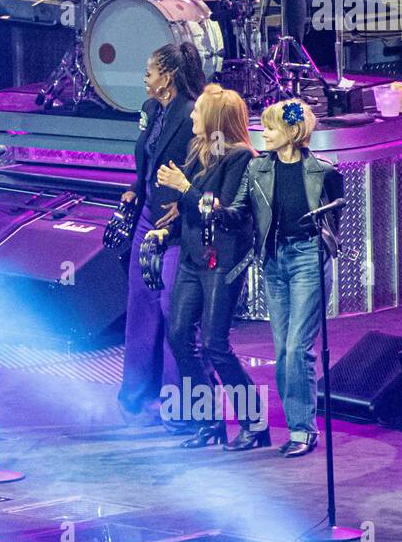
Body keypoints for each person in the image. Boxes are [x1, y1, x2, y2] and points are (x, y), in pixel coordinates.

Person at [221, 97, 341, 456]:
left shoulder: (323, 171)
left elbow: (334, 221)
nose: (264, 133)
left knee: (295, 349)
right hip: (274, 261)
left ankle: (303, 430)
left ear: (291, 133)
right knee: (283, 351)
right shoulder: (258, 170)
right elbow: (238, 211)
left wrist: (326, 251)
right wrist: (214, 208)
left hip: (307, 257)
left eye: (271, 128)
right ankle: (299, 426)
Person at [148, 84, 259, 448]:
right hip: (193, 257)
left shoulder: (241, 157)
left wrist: (185, 188)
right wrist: (168, 233)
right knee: (179, 335)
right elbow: (189, 209)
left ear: (215, 120)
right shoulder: (204, 149)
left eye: (198, 112)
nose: (192, 116)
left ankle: (254, 424)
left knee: (215, 344)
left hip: (221, 260)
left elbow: (221, 210)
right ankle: (208, 423)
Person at [117, 42, 205, 425]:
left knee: (174, 311)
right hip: (146, 218)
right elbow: (147, 160)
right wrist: (136, 188)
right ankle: (135, 396)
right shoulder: (151, 109)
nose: (145, 78)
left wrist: (180, 202)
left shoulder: (192, 115)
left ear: (166, 77)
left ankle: (180, 406)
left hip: (177, 226)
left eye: (150, 72)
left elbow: (204, 170)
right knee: (141, 304)